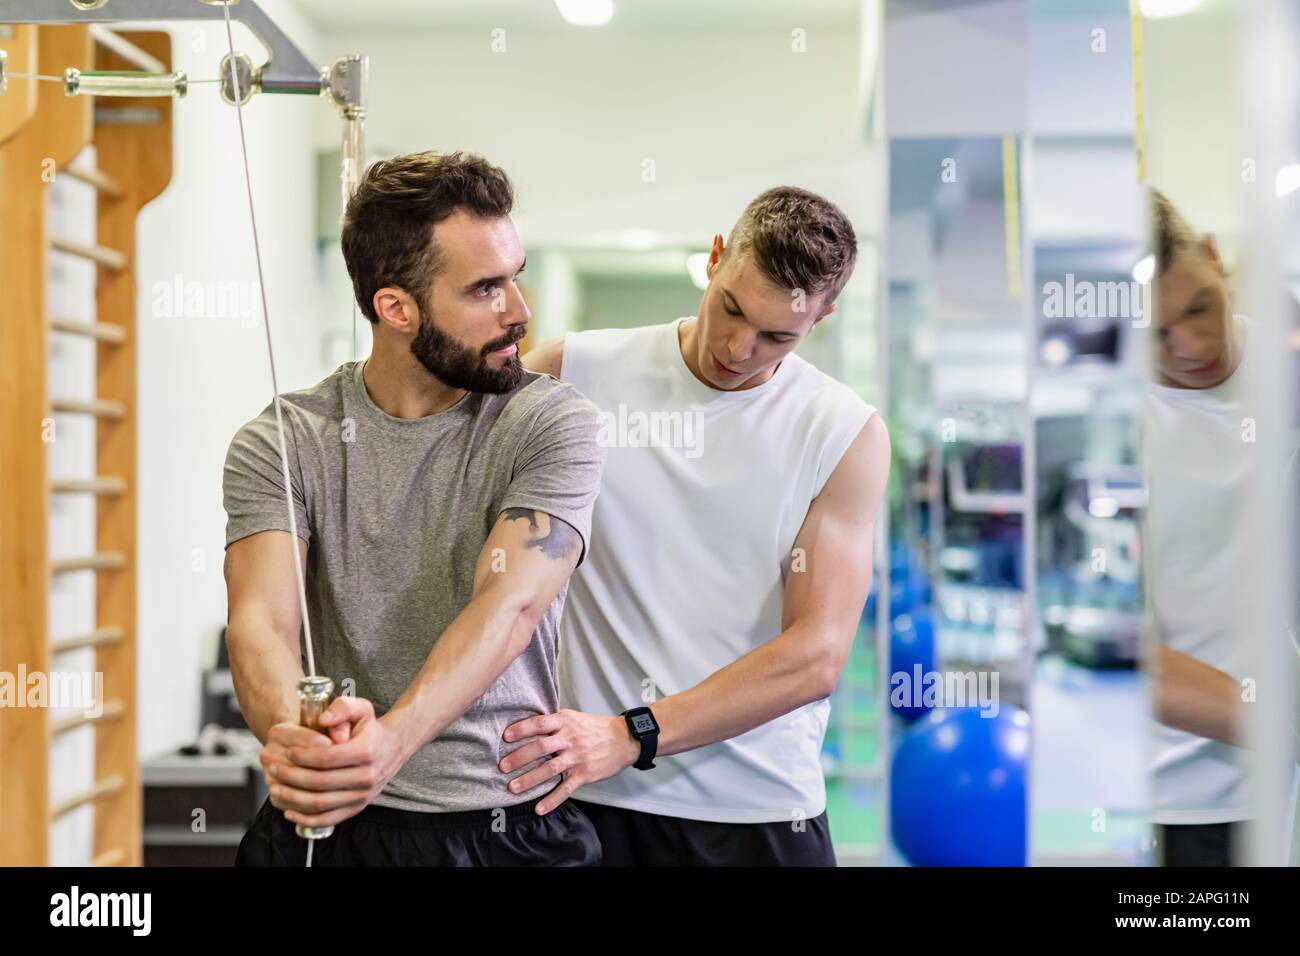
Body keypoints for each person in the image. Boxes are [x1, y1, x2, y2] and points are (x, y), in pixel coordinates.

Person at [223, 151, 606, 866]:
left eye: (515, 277)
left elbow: (510, 606)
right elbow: (260, 623)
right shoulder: (284, 440)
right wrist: (301, 740)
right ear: (396, 308)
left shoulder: (552, 423)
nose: (520, 312)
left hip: (505, 829)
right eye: (486, 289)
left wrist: (388, 744)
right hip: (334, 823)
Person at [514, 186, 891, 866]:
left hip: (760, 810)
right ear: (716, 258)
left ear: (824, 316)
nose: (739, 348)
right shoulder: (575, 371)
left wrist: (633, 734)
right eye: (732, 309)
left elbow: (816, 655)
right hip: (590, 798)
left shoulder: (841, 431)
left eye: (777, 335)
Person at [1144, 189, 1252, 866]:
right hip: (1193, 802)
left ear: (1213, 257)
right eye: (1155, 333)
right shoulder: (1112, 433)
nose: (1190, 347)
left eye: (1199, 309)